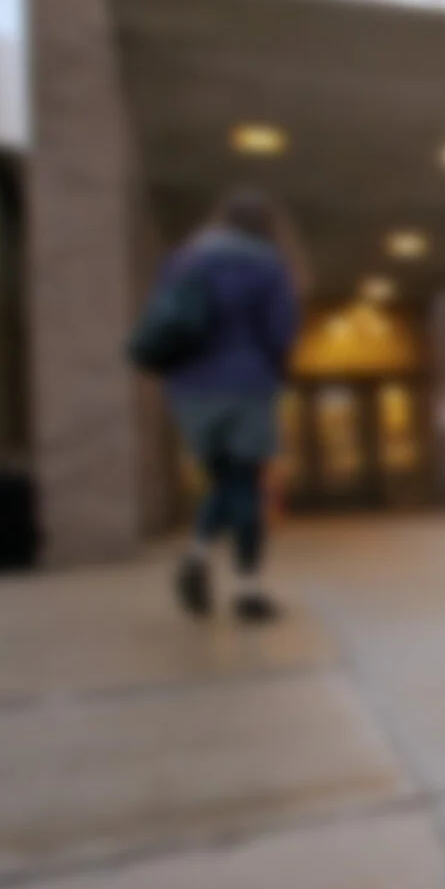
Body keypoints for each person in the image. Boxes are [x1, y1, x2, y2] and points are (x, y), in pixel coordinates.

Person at [152, 186, 299, 622]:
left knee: (223, 482)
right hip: (245, 385)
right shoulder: (267, 265)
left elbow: (165, 321)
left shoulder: (181, 261)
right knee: (245, 485)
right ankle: (248, 590)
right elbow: (280, 331)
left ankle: (198, 557)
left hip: (190, 389)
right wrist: (274, 371)